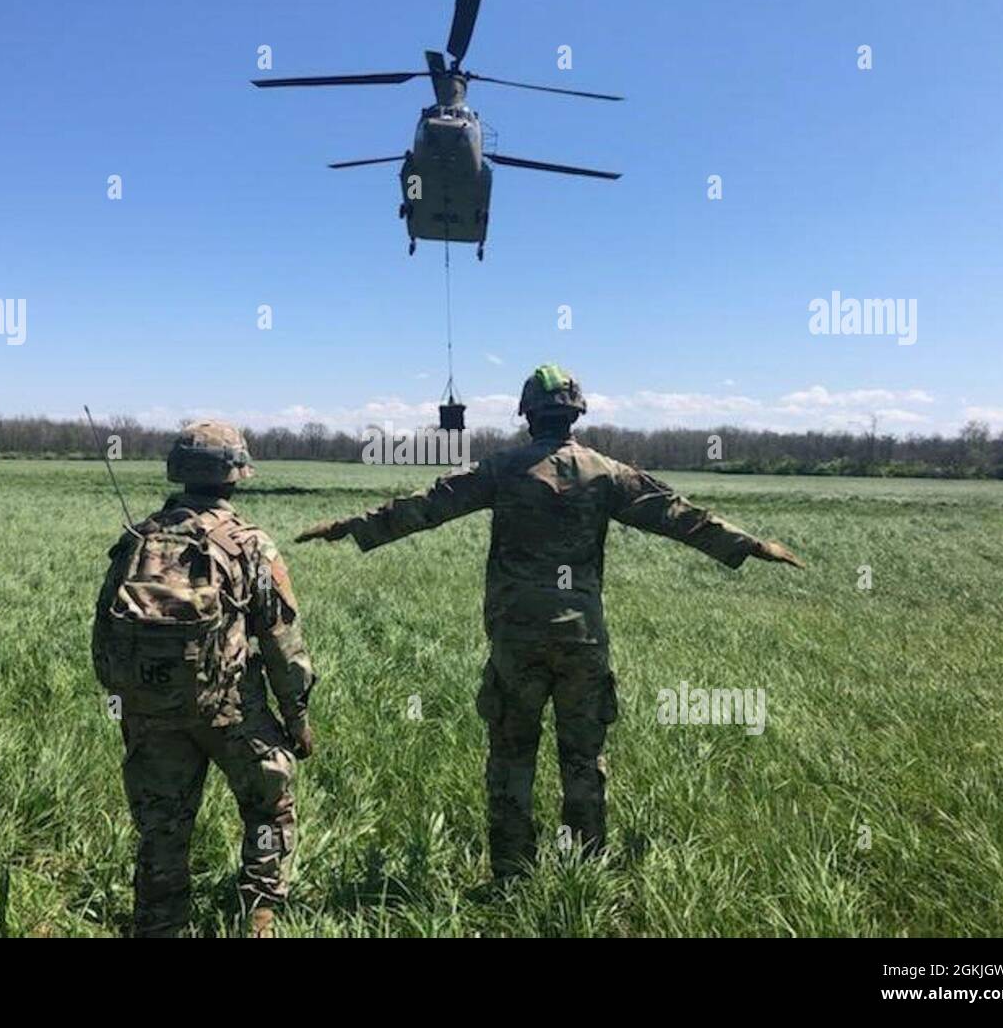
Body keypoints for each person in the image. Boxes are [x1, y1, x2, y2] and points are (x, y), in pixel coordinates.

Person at [297, 365, 802, 879]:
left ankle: (512, 873)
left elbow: (429, 506)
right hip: (582, 637)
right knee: (583, 758)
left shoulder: (502, 469)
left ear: (527, 413)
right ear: (576, 413)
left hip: (517, 638)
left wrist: (351, 526)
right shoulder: (606, 472)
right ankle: (584, 871)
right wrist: (749, 544)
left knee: (511, 757)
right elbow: (676, 514)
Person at [93, 421, 314, 936]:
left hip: (152, 710)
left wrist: (132, 701)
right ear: (237, 475)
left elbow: (103, 630)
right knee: (270, 804)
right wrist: (297, 719)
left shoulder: (137, 540)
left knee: (162, 827)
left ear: (178, 470)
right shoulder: (250, 544)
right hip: (229, 709)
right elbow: (283, 644)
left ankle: (158, 925)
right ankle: (258, 917)